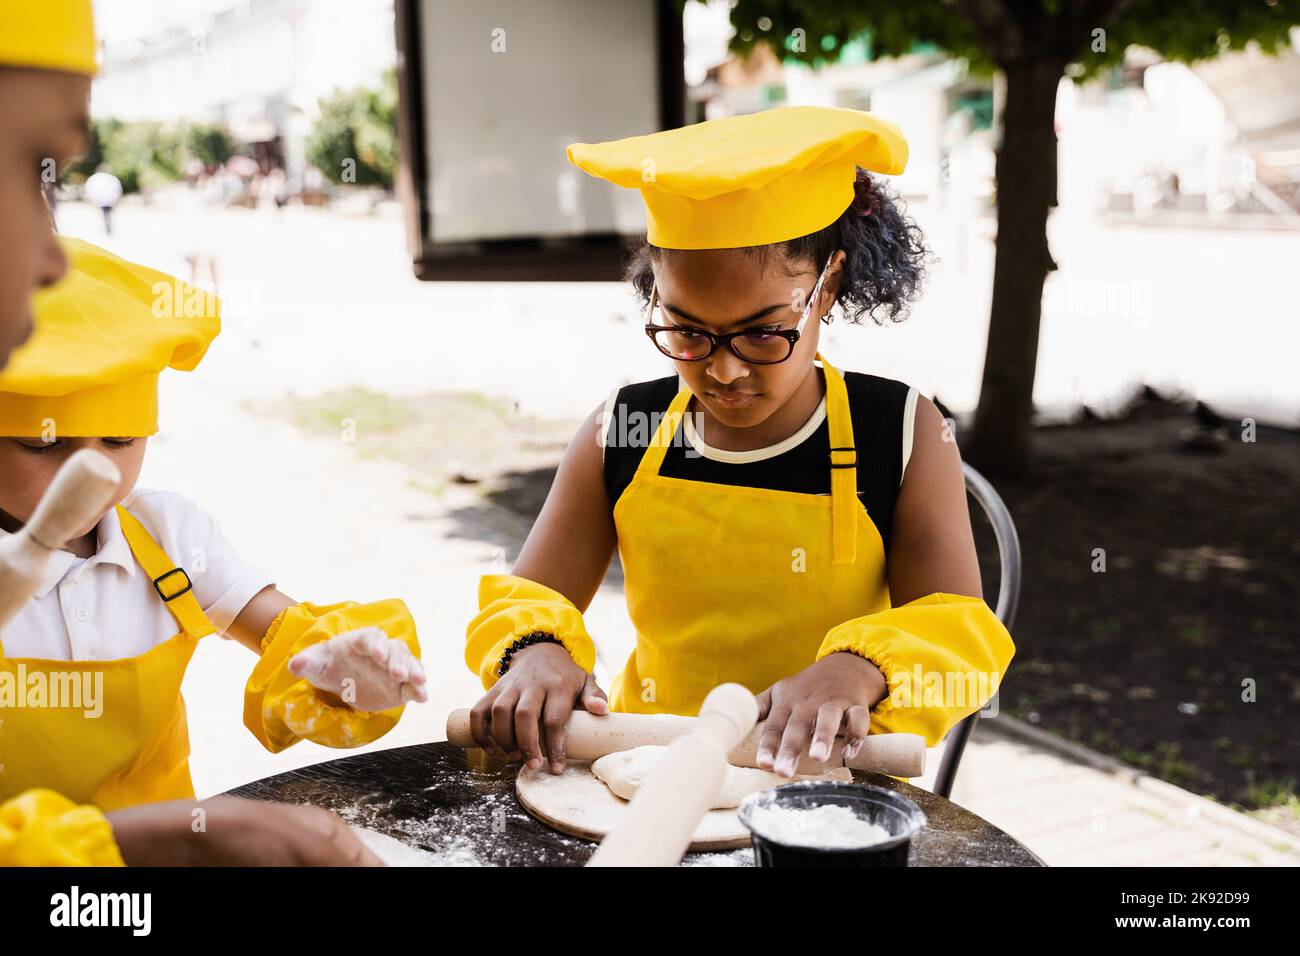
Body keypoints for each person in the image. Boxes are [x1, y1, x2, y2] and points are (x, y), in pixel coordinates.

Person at [464, 106, 1016, 779]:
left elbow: (959, 633)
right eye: (688, 333)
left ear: (827, 285)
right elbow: (531, 596)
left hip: (821, 787)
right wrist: (535, 649)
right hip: (644, 770)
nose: (723, 371)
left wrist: (860, 670)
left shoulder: (900, 432)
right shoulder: (624, 431)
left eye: (762, 333)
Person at [0, 0, 395, 868]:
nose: (93, 473)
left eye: (122, 440)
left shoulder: (162, 538)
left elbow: (290, 638)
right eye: (42, 445)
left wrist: (336, 665)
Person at [83, 164, 122, 234]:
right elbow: (118, 190)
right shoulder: (112, 178)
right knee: (108, 214)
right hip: (110, 200)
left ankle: (105, 228)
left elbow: (88, 189)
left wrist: (90, 199)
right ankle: (108, 228)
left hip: (99, 200)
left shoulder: (94, 178)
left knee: (102, 214)